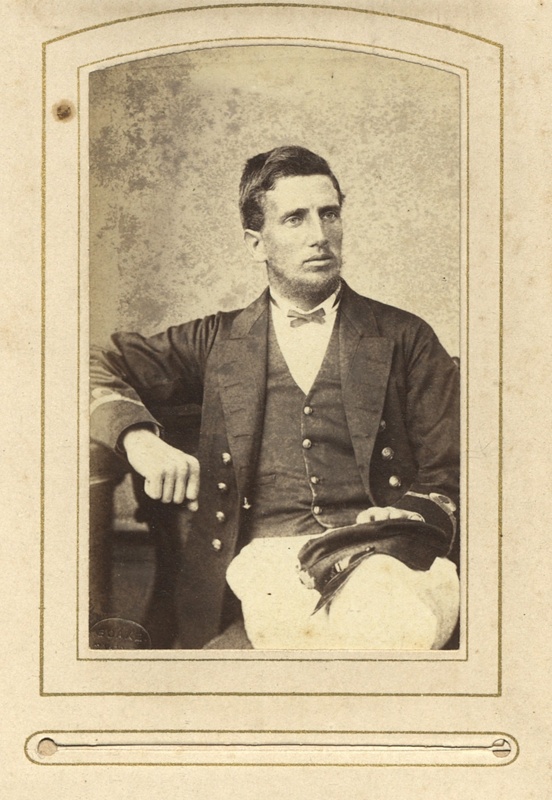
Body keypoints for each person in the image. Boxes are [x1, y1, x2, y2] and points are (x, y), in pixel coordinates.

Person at [90, 145, 460, 650]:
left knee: (382, 615)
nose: (319, 235)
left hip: (384, 561)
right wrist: (137, 438)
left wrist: (408, 515)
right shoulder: (216, 341)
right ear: (256, 243)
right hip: (268, 575)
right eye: (294, 219)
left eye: (329, 214)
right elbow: (84, 362)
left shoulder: (405, 338)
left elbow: (451, 471)